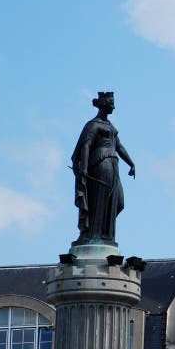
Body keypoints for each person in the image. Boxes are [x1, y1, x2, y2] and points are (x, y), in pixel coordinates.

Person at [71, 92, 135, 245]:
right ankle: (93, 236)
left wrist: (131, 163)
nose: (114, 106)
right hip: (101, 164)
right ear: (104, 104)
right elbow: (86, 145)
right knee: (99, 200)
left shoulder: (111, 127)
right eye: (111, 102)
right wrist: (84, 168)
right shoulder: (93, 125)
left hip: (113, 166)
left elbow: (119, 146)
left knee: (118, 202)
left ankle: (106, 234)